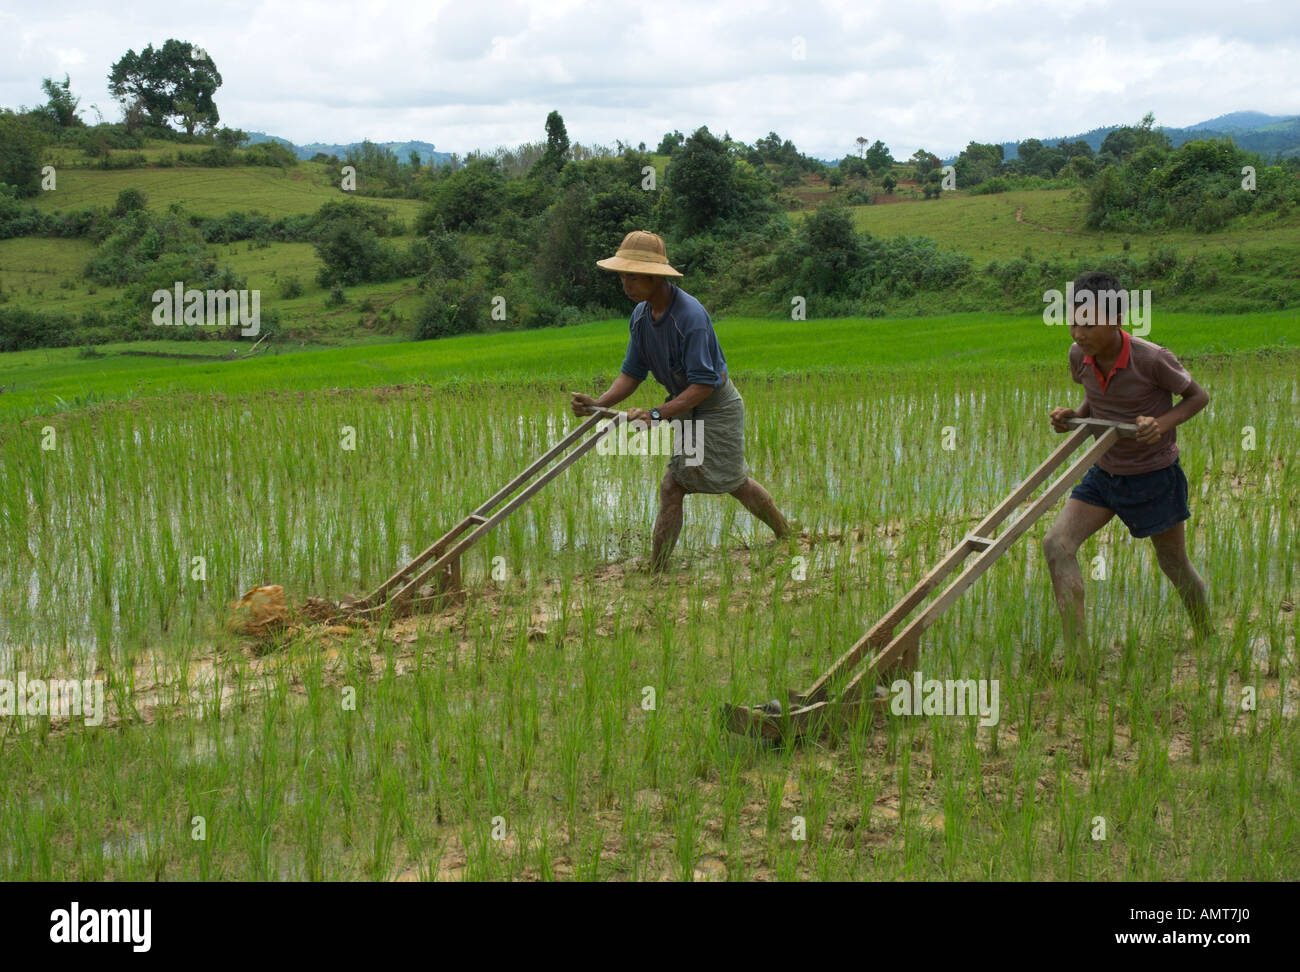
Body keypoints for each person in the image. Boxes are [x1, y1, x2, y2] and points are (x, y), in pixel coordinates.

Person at [571, 230, 790, 570]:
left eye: (633, 276)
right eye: (623, 277)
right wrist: (598, 404)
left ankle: (786, 536)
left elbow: (703, 384)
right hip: (687, 407)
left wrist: (657, 414)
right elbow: (632, 373)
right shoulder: (641, 317)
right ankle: (659, 567)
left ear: (655, 277)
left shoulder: (690, 317)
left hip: (715, 408)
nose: (626, 285)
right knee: (678, 486)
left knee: (732, 483)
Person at [1042, 270, 1212, 666]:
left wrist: (1161, 424)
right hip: (1104, 474)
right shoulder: (1077, 357)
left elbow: (1197, 396)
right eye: (1073, 320)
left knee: (1173, 563)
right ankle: (1078, 658)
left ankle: (1205, 632)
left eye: (1088, 323)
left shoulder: (1152, 358)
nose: (1078, 332)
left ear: (1116, 318)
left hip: (1154, 476)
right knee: (1056, 545)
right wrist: (1074, 417)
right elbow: (1095, 401)